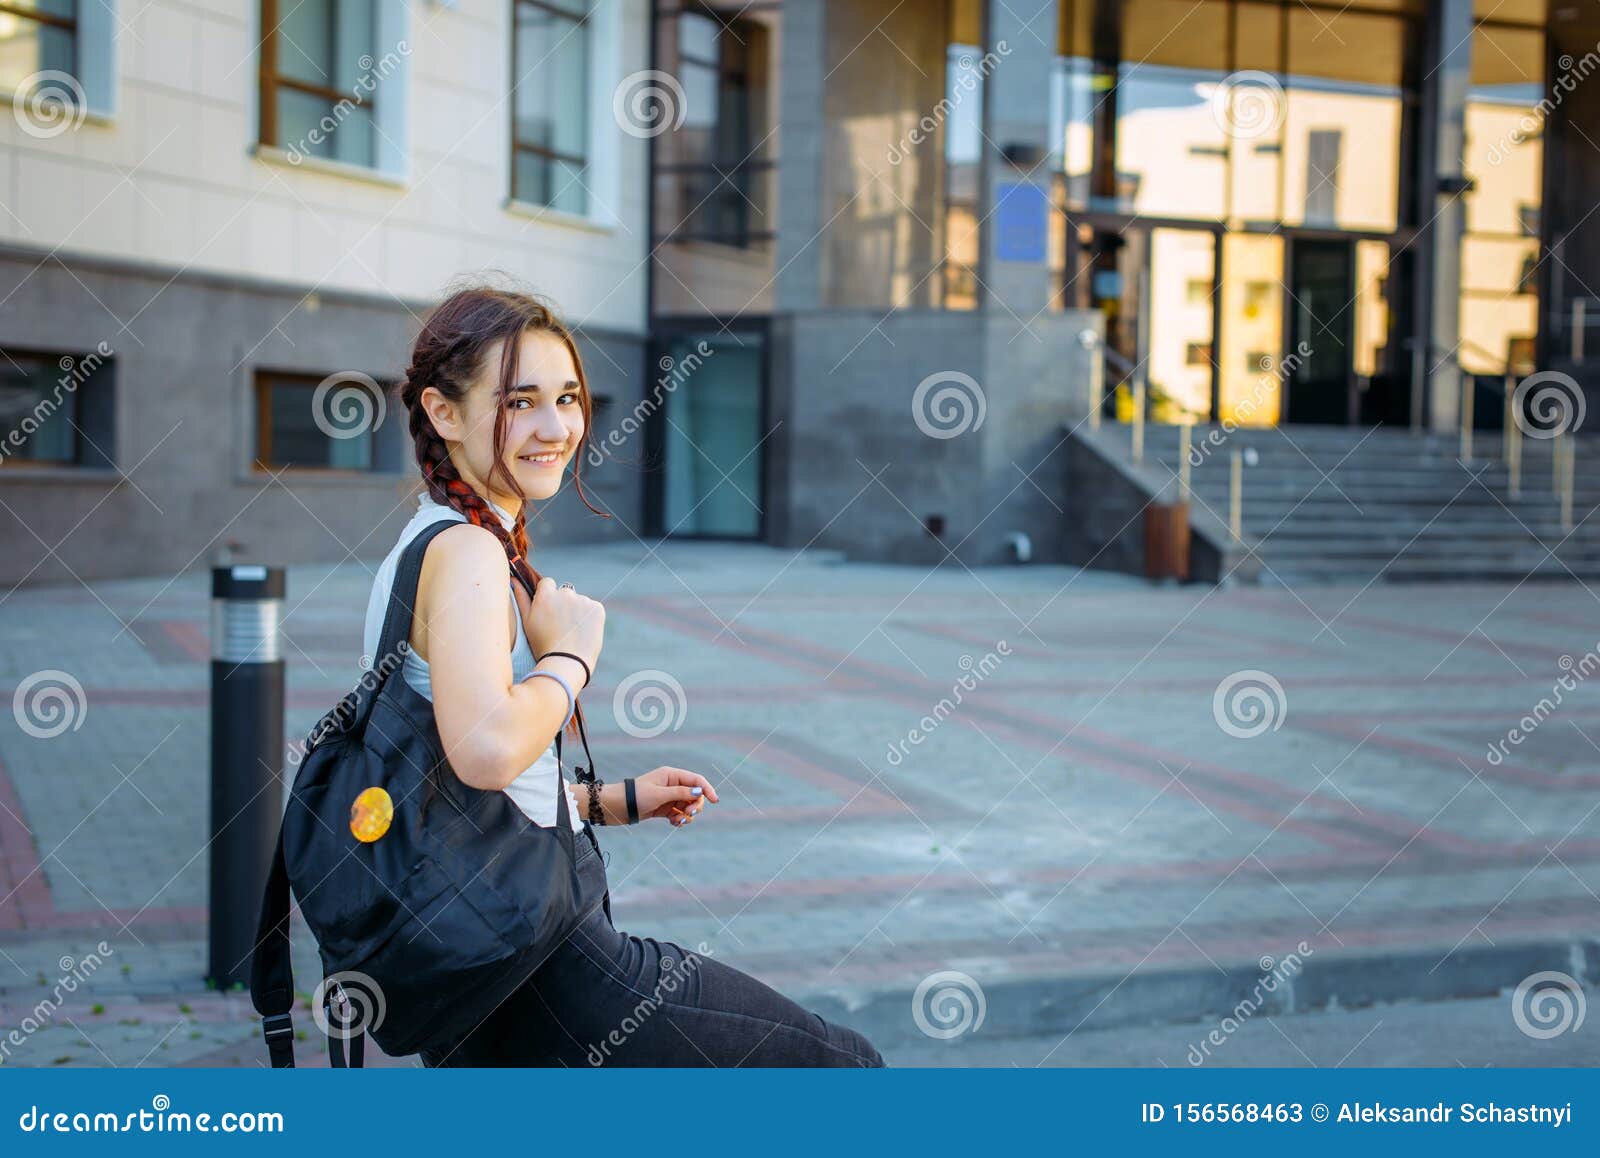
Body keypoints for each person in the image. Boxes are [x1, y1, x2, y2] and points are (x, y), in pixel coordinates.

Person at [360, 279, 884, 1068]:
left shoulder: (430, 545)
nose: (555, 427)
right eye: (519, 402)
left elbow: (452, 789)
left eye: (567, 398)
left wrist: (609, 801)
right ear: (443, 412)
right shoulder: (465, 553)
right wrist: (572, 653)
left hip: (494, 966)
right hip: (550, 968)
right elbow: (485, 751)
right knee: (840, 1066)